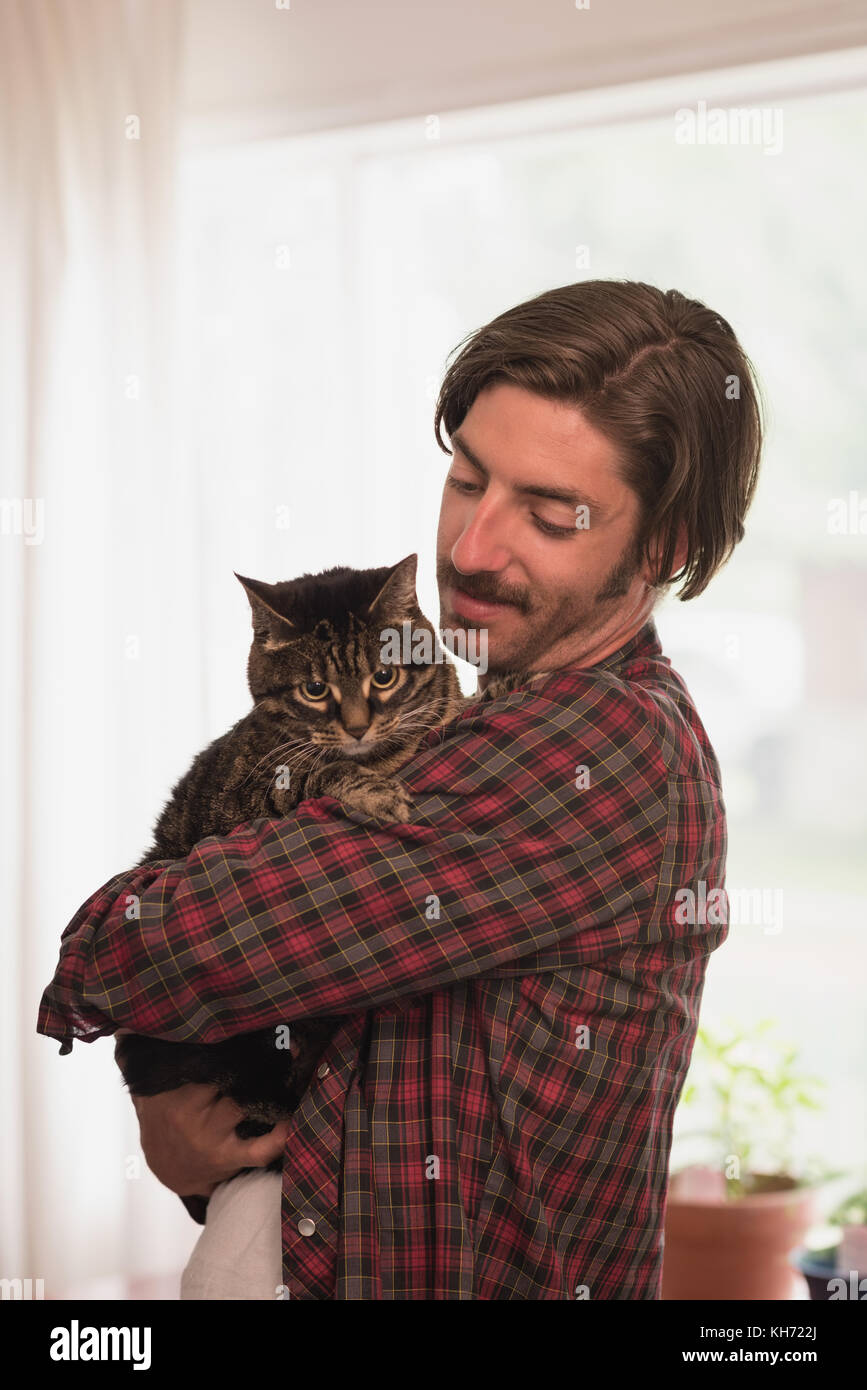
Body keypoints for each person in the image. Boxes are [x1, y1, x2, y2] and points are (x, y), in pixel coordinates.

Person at [37, 279, 763, 1300]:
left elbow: (131, 950)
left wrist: (150, 1056)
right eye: (468, 480)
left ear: (663, 549)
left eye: (550, 514)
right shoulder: (482, 714)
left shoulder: (585, 746)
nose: (470, 549)